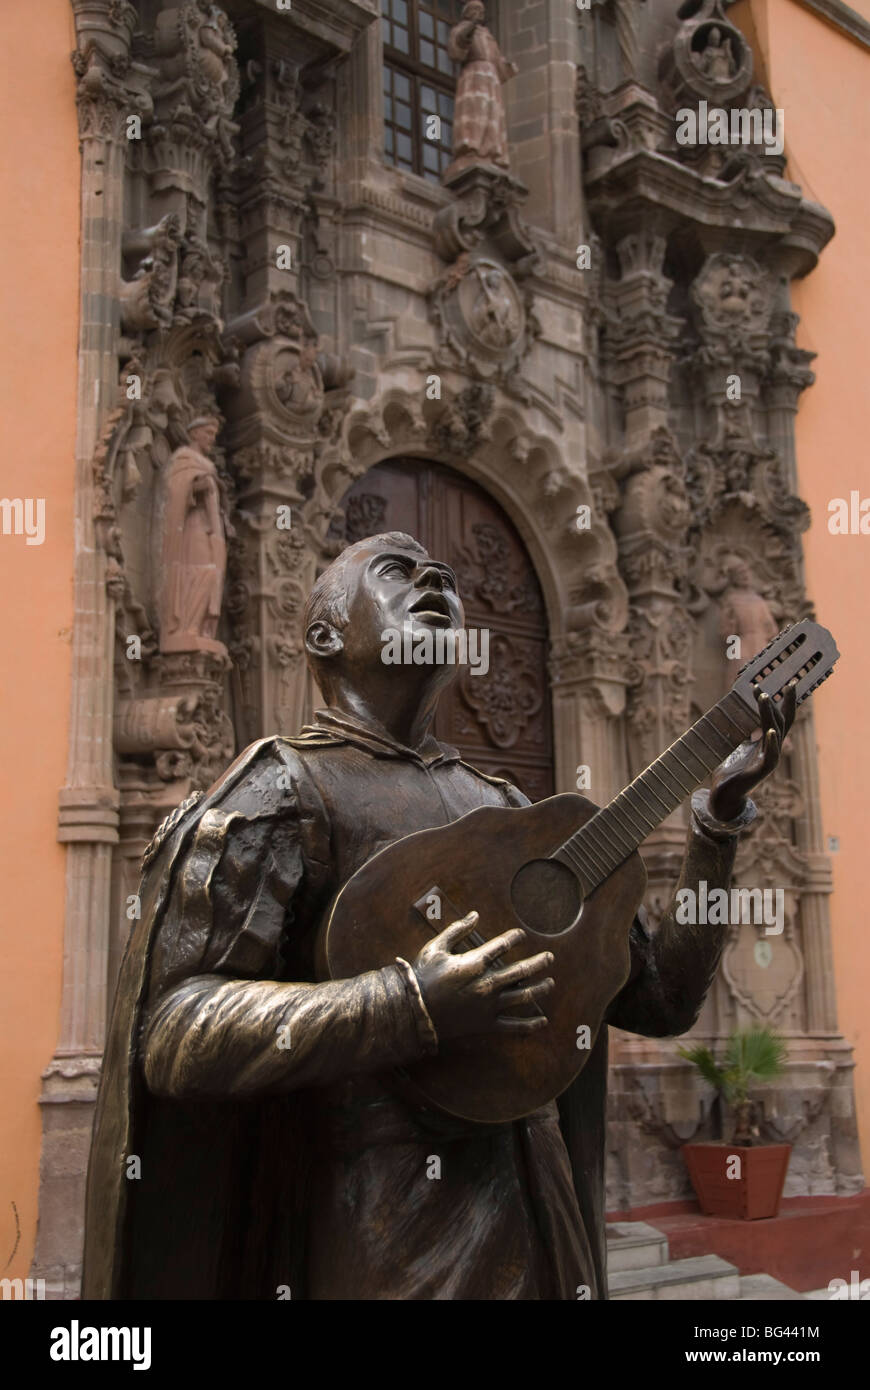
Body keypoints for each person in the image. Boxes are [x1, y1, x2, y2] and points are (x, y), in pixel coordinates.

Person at [83, 531, 794, 1299]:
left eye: (446, 578)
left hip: (536, 1205)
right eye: (397, 572)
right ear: (323, 635)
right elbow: (178, 1033)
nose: (432, 583)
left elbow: (664, 1000)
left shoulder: (510, 810)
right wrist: (409, 1002)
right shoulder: (282, 790)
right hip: (379, 1223)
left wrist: (716, 832)